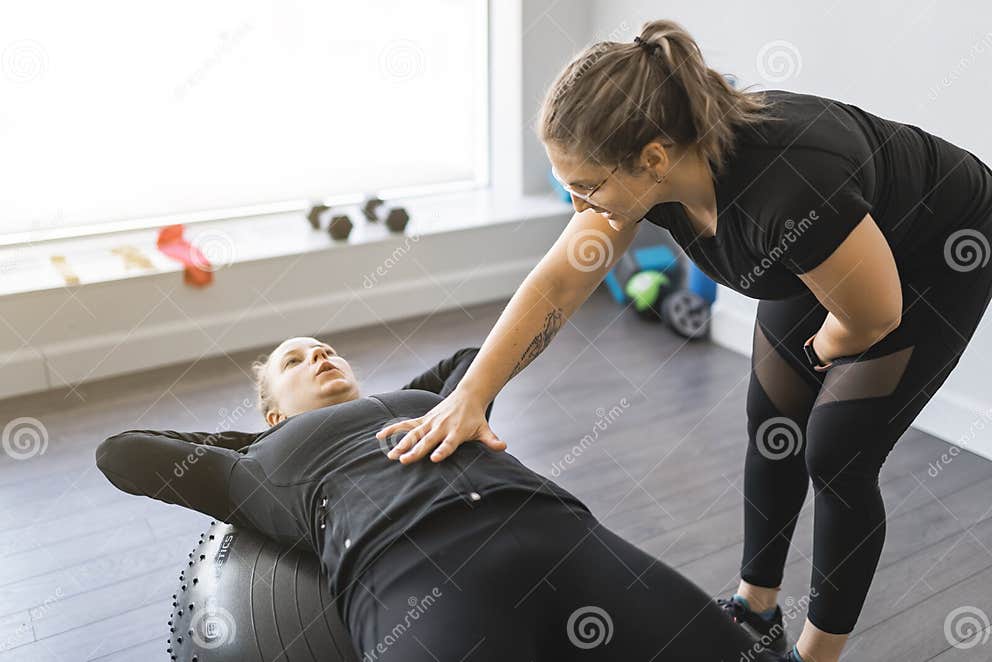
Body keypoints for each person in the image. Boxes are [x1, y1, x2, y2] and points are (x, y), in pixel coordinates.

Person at [373, 19, 992, 662]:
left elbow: (872, 315)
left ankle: (816, 656)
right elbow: (558, 285)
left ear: (653, 159)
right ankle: (756, 613)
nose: (580, 204)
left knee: (836, 454)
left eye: (586, 185)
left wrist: (826, 348)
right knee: (773, 421)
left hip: (934, 255)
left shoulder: (784, 189)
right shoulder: (650, 179)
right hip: (830, 246)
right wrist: (472, 393)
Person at [95, 337, 787, 661]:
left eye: (326, 348)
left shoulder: (421, 402)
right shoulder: (255, 463)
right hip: (416, 576)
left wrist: (463, 395)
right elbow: (121, 453)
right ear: (271, 412)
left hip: (557, 534)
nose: (319, 357)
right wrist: (246, 440)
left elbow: (478, 353)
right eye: (295, 362)